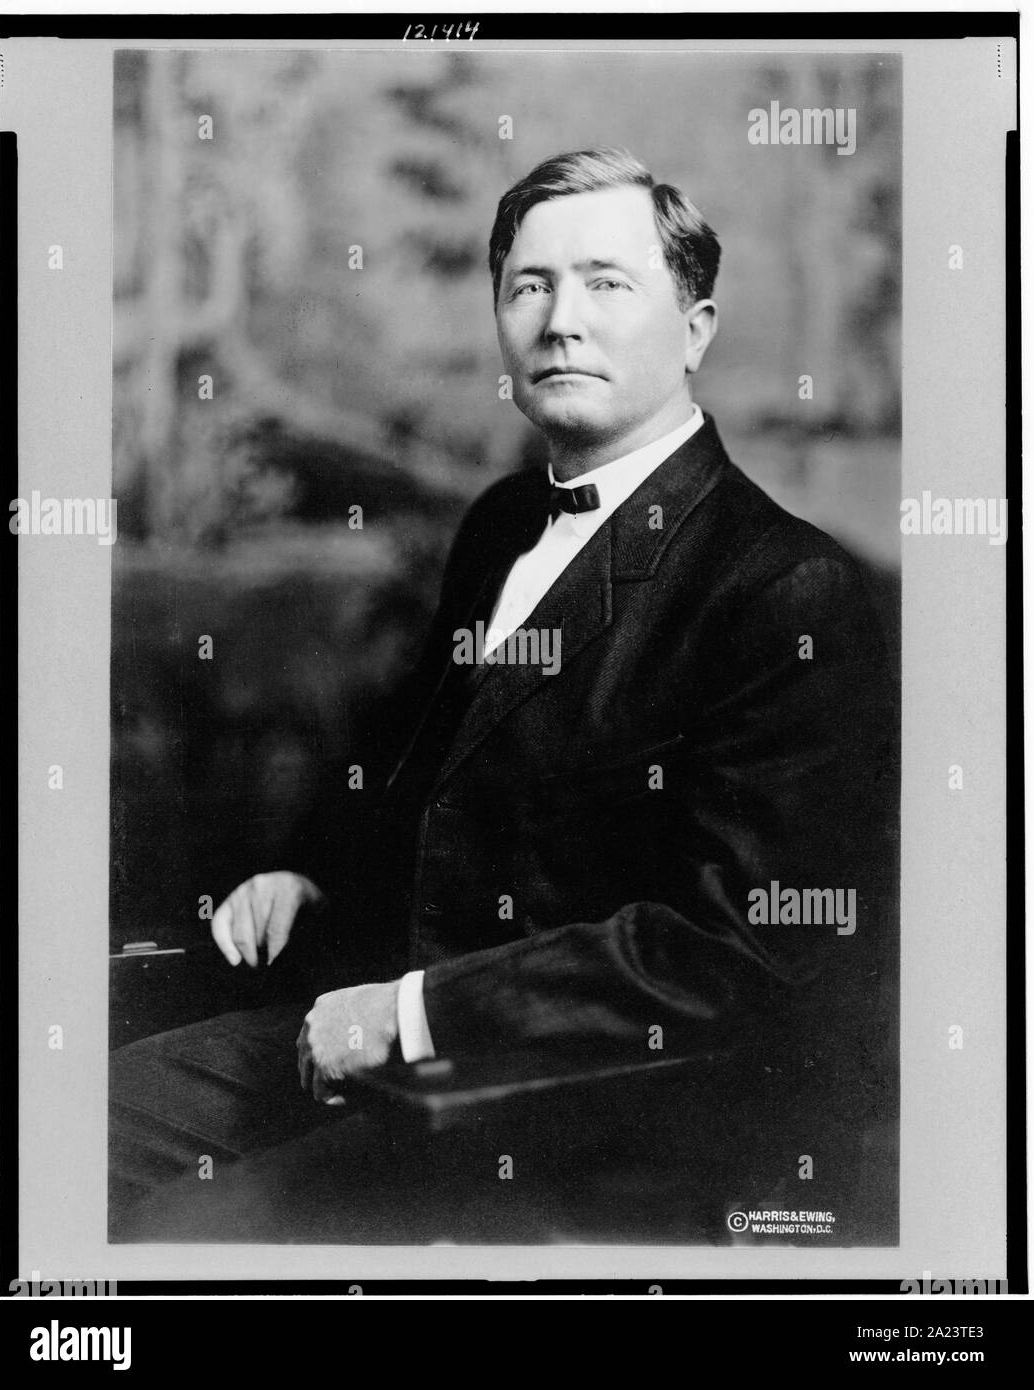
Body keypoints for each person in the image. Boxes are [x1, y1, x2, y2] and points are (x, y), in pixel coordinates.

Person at [109, 148, 897, 1244]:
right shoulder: (498, 523)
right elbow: (428, 764)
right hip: (371, 1031)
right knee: (68, 1130)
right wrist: (316, 874)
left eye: (607, 284)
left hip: (592, 1114)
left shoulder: (783, 588)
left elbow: (739, 953)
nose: (560, 321)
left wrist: (411, 1014)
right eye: (530, 286)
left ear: (696, 328)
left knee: (181, 1243)